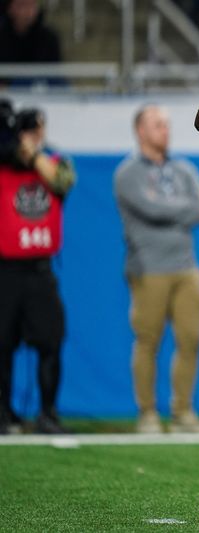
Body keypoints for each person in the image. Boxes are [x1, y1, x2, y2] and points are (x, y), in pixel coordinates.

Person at [113, 105, 199, 434]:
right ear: (140, 131)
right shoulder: (127, 173)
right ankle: (147, 414)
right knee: (148, 341)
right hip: (148, 268)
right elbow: (149, 208)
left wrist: (167, 209)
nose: (165, 130)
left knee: (190, 340)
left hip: (187, 267)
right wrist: (178, 209)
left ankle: (182, 412)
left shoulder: (183, 169)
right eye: (158, 125)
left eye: (167, 125)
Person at [0, 104, 74, 434]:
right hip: (6, 270)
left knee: (50, 339)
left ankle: (47, 414)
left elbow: (61, 182)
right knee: (2, 344)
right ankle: (5, 414)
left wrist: (30, 152)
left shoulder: (55, 162)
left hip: (40, 270)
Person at [0, 0, 62, 86]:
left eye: (32, 5)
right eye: (22, 5)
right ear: (10, 8)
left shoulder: (49, 38)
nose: (28, 11)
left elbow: (54, 75)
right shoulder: (2, 38)